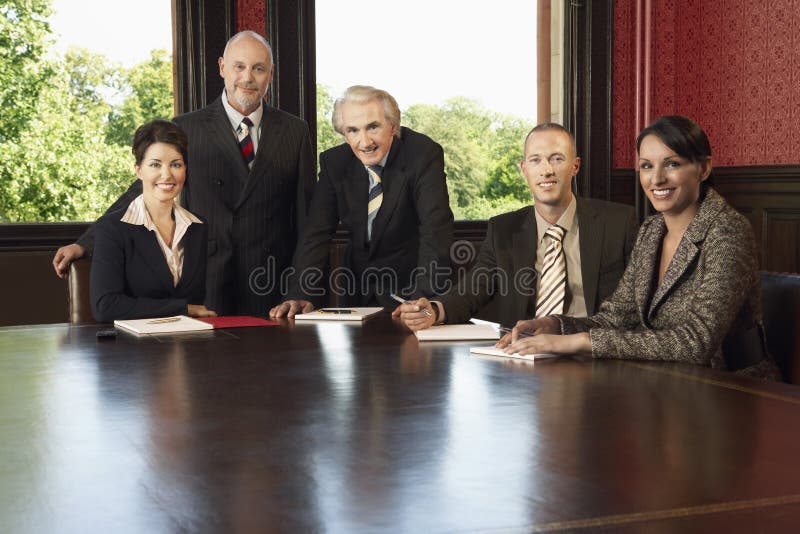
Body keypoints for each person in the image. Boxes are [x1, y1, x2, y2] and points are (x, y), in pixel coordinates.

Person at [53, 31, 315, 316]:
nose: (248, 77)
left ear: (271, 74)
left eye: (258, 68)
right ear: (222, 68)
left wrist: (300, 289)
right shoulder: (187, 127)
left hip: (272, 287)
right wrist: (85, 243)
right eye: (239, 66)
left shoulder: (294, 131)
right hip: (207, 282)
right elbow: (144, 188)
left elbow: (308, 220)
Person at [498, 116, 780, 379]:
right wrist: (557, 326)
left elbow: (697, 342)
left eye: (672, 164)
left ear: (704, 168)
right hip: (665, 382)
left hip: (731, 387)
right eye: (646, 165)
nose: (656, 179)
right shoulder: (650, 231)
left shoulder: (728, 231)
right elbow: (617, 317)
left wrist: (579, 342)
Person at [397, 123, 638, 330]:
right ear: (524, 169)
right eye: (536, 160)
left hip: (593, 352)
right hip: (525, 355)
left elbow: (635, 307)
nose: (547, 170)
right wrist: (434, 312)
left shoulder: (619, 224)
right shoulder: (503, 230)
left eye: (557, 159)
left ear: (575, 166)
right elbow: (471, 291)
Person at [269, 85, 454, 317]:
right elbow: (316, 232)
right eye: (353, 131)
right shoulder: (334, 163)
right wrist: (300, 293)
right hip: (357, 295)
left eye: (373, 127)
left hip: (415, 291)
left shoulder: (423, 155)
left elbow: (435, 231)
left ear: (393, 125)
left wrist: (422, 299)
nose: (364, 142)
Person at [90, 120, 216, 321]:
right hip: (132, 348)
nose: (166, 175)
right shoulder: (112, 228)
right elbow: (105, 306)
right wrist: (183, 308)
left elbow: (196, 298)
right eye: (155, 164)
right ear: (139, 170)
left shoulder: (198, 227)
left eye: (176, 164)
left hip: (189, 343)